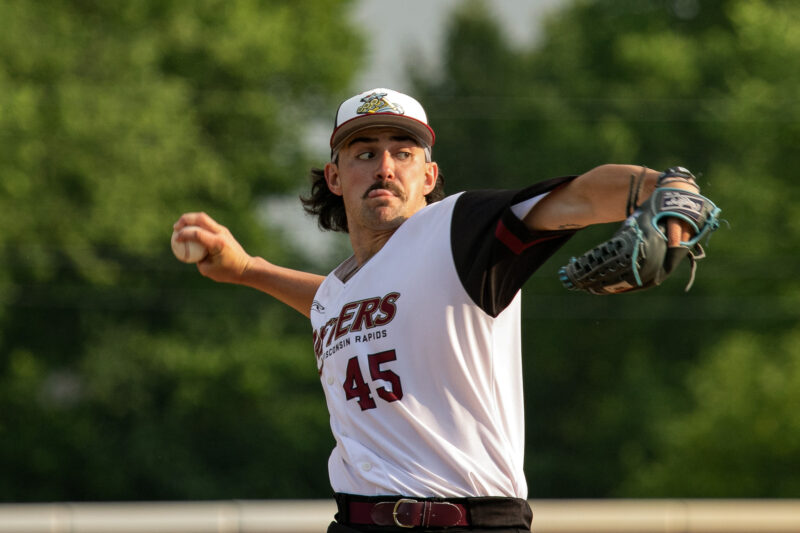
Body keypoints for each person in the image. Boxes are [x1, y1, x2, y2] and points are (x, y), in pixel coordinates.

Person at [173, 88, 698, 532]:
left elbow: (580, 197)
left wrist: (662, 188)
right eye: (364, 153)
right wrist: (247, 269)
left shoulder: (456, 231)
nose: (385, 167)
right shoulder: (344, 290)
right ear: (335, 178)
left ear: (429, 175)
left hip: (467, 520)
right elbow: (334, 303)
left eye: (404, 153)